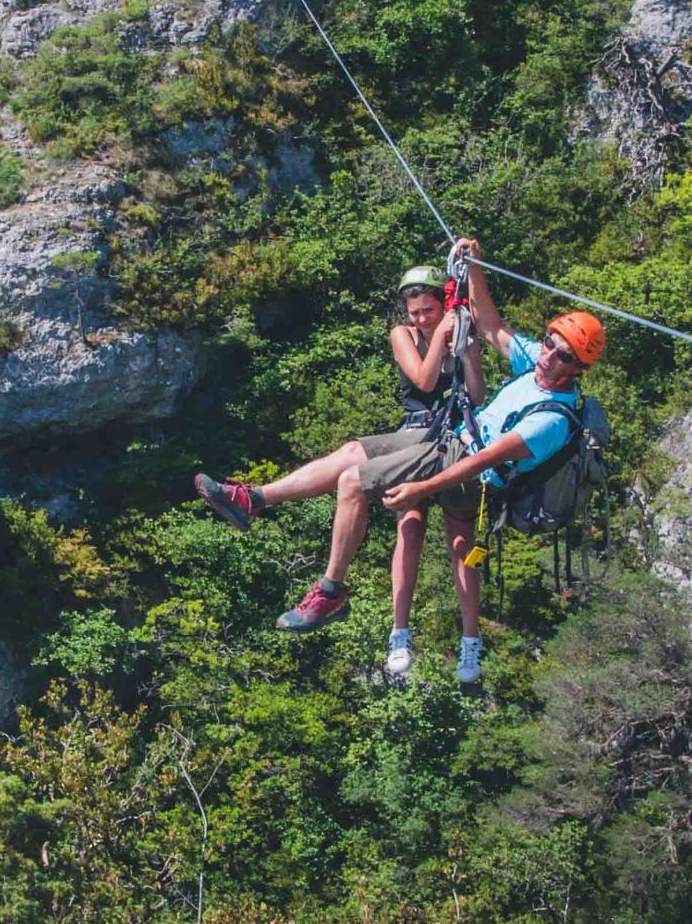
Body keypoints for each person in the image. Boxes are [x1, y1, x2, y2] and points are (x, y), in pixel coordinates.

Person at [192, 238, 605, 687]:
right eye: (548, 343)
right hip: (450, 442)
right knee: (353, 455)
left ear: (578, 367)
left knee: (354, 482)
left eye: (562, 354)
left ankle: (330, 592)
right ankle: (252, 499)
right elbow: (490, 325)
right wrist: (477, 267)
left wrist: (421, 489)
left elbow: (482, 459)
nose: (548, 355)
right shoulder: (532, 368)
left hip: (470, 470)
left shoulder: (552, 420)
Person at [382, 266, 484, 681]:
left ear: (442, 304)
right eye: (415, 312)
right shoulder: (402, 336)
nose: (421, 318)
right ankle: (399, 633)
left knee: (462, 543)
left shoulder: (458, 332)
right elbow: (423, 377)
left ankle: (471, 643)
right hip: (415, 435)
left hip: (456, 437)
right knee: (411, 527)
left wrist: (469, 350)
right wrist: (441, 334)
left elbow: (476, 395)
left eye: (428, 310)